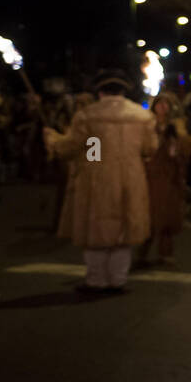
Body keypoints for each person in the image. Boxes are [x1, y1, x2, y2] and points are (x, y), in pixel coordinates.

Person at [46, 69, 157, 294]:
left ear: (100, 92)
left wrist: (52, 139)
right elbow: (150, 148)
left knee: (95, 232)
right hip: (131, 180)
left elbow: (71, 148)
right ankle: (118, 280)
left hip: (95, 179)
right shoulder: (143, 116)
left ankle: (96, 281)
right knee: (123, 233)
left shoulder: (87, 115)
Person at [139, 91, 191, 269]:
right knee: (148, 214)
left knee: (168, 214)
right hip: (149, 174)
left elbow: (184, 151)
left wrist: (178, 137)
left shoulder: (176, 126)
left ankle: (166, 252)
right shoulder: (146, 124)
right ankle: (143, 252)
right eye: (159, 104)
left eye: (166, 104)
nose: (163, 107)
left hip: (169, 175)